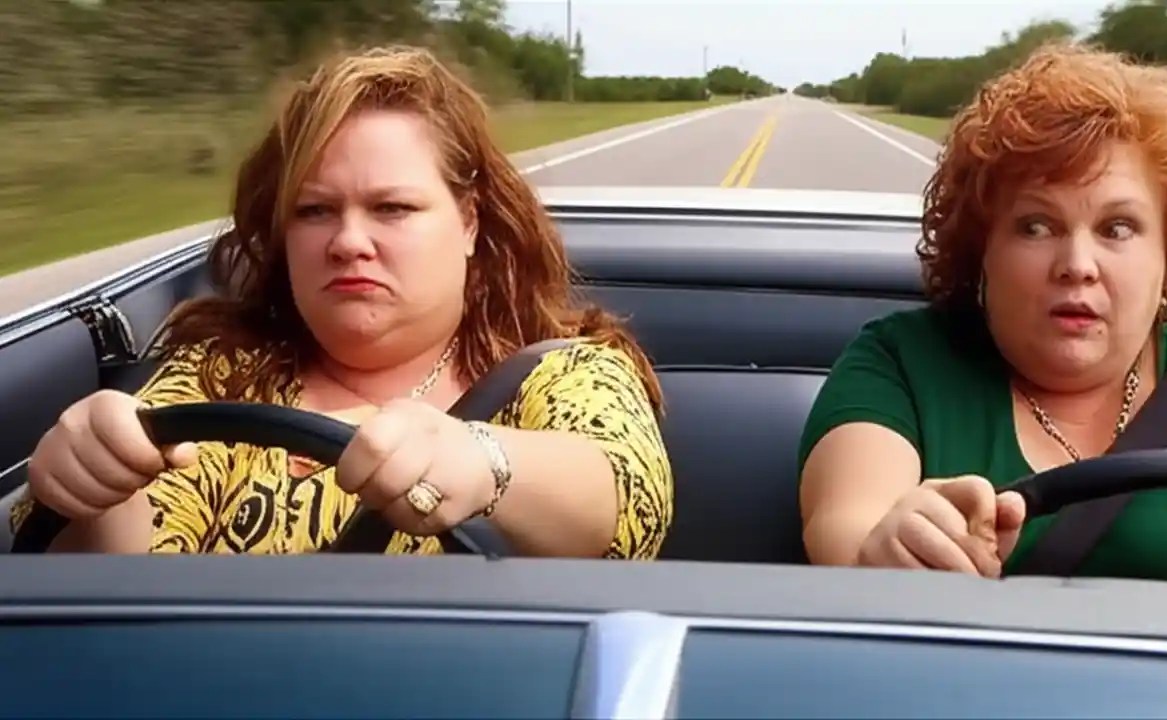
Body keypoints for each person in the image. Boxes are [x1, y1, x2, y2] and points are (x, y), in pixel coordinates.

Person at [10, 45, 674, 558]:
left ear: (469, 222)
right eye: (315, 210)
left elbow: (624, 495)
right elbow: (134, 577)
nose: (348, 241)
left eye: (392, 208)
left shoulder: (563, 370)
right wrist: (94, 485)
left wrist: (485, 462)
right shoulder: (221, 374)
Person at [798, 42, 1167, 587]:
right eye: (1036, 226)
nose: (1078, 265)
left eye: (1117, 228)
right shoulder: (899, 362)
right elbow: (849, 528)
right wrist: (887, 548)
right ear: (982, 250)